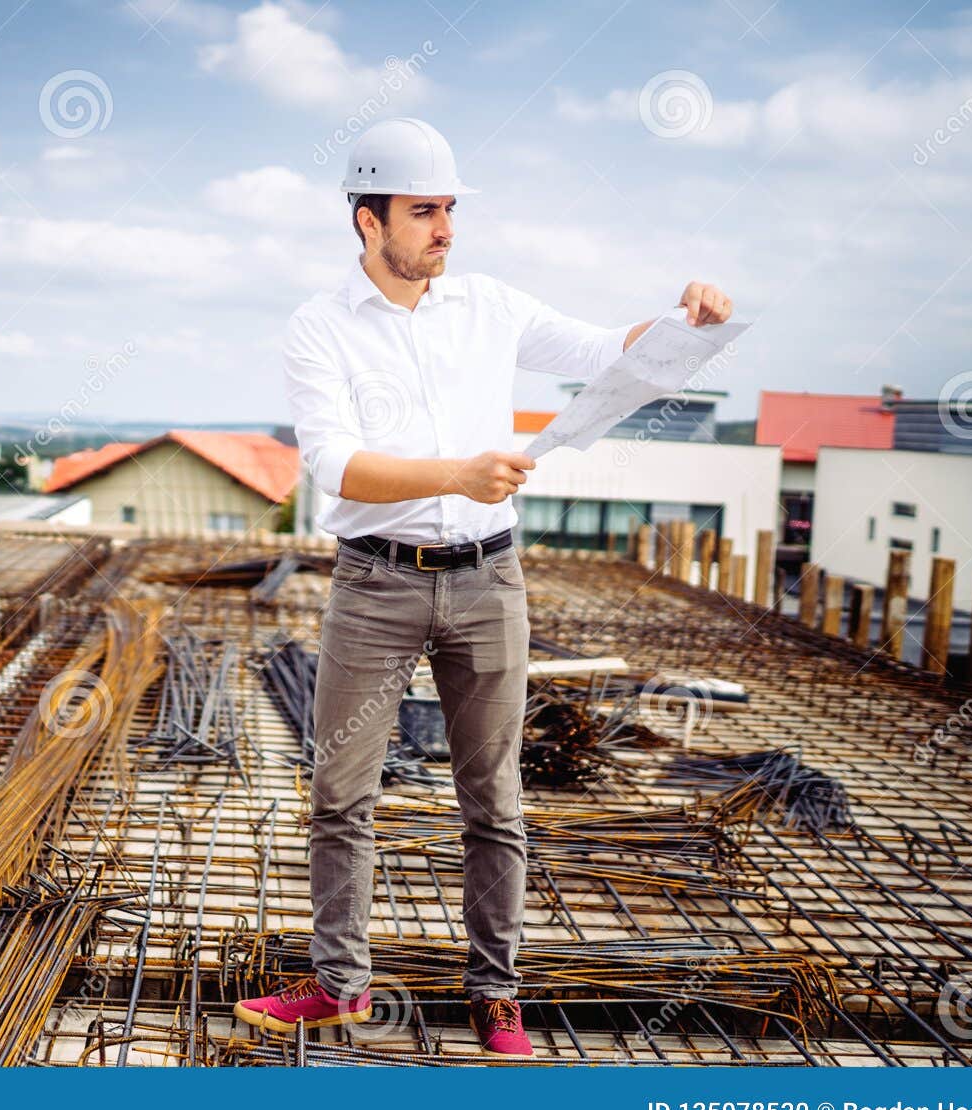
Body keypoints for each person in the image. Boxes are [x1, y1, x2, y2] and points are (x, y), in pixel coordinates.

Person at [233, 117, 733, 1056]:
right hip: (374, 585)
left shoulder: (489, 305)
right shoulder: (319, 326)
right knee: (342, 792)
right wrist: (454, 474)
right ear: (366, 221)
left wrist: (683, 318)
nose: (445, 230)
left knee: (492, 797)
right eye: (423, 212)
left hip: (488, 580)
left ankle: (495, 992)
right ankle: (339, 985)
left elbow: (601, 349)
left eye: (450, 210)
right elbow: (336, 465)